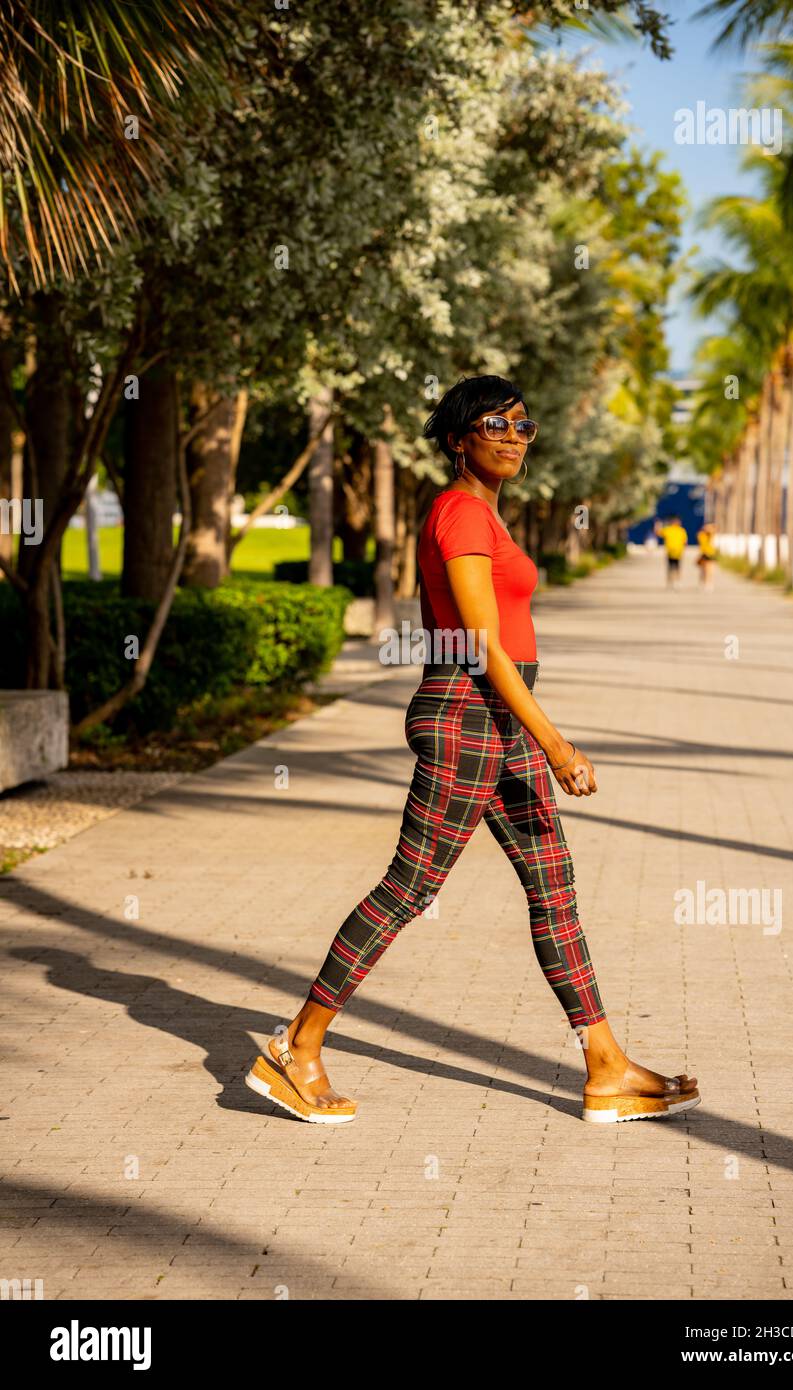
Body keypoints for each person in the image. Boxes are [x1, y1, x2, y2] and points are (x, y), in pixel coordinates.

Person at [245, 376, 700, 1126]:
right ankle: (298, 1046)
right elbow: (482, 643)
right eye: (498, 424)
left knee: (553, 885)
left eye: (526, 425)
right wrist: (555, 743)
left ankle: (607, 1067)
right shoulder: (459, 513)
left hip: (499, 715)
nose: (516, 436)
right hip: (467, 712)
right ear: (460, 438)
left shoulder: (486, 514)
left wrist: (532, 733)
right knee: (410, 888)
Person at [655, 515, 688, 588]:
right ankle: (670, 581)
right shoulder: (668, 530)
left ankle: (677, 581)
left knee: (677, 567)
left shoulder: (681, 530)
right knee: (670, 567)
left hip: (678, 552)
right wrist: (658, 525)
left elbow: (685, 541)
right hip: (670, 552)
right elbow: (658, 533)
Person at [696, 522, 718, 589]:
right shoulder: (701, 535)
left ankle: (709, 583)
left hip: (711, 553)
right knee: (703, 570)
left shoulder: (712, 535)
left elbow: (715, 531)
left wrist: (711, 530)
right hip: (704, 553)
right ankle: (703, 582)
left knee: (710, 569)